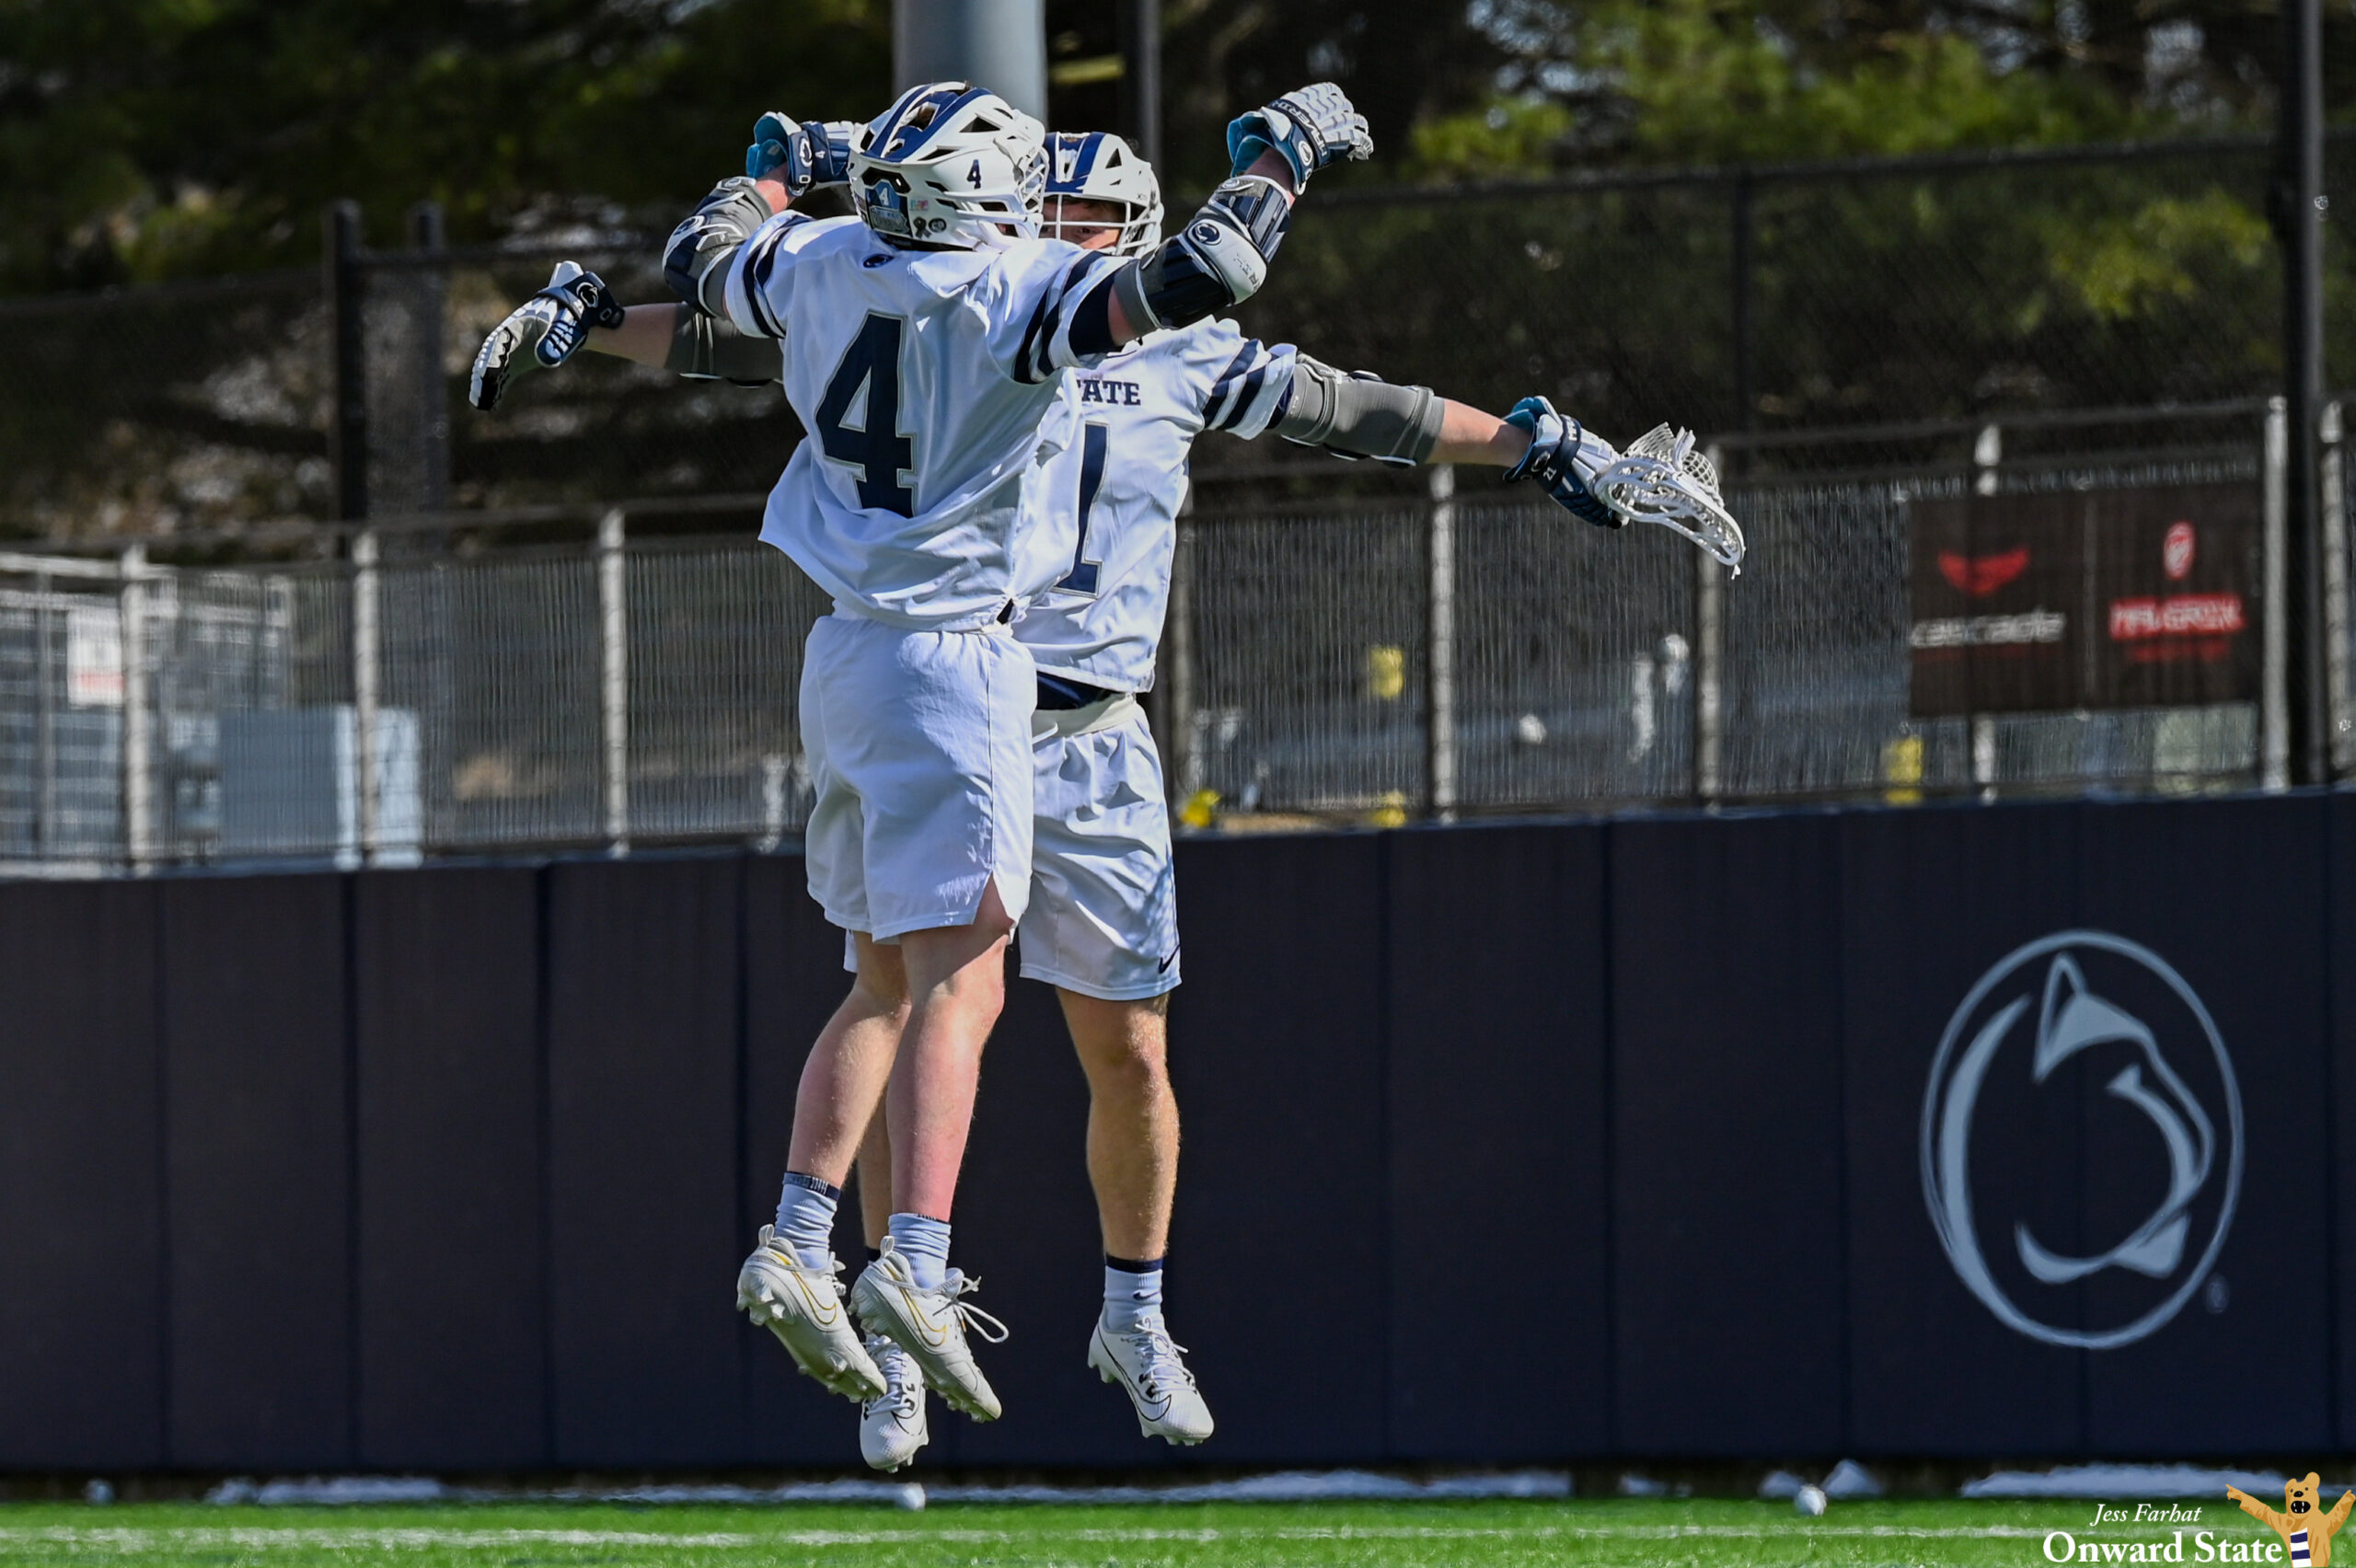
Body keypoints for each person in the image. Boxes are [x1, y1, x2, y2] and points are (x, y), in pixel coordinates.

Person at [472, 120, 1738, 1466]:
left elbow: (1365, 411)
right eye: (1039, 206)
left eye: (1079, 213)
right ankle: (896, 1307)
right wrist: (597, 320)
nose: (1055, 230)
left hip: (1078, 723)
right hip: (969, 685)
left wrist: (1540, 447)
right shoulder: (1008, 298)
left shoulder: (1102, 326)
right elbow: (753, 337)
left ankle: (1128, 1313)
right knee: (925, 992)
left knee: (1112, 1041)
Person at [470, 78, 1377, 1428]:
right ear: (983, 197)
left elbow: (706, 265)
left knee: (883, 986)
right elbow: (1212, 268)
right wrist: (1284, 158)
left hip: (839, 655)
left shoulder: (826, 260)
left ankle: (795, 1232)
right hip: (958, 662)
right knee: (965, 984)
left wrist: (782, 168)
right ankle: (917, 1264)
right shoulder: (1018, 292)